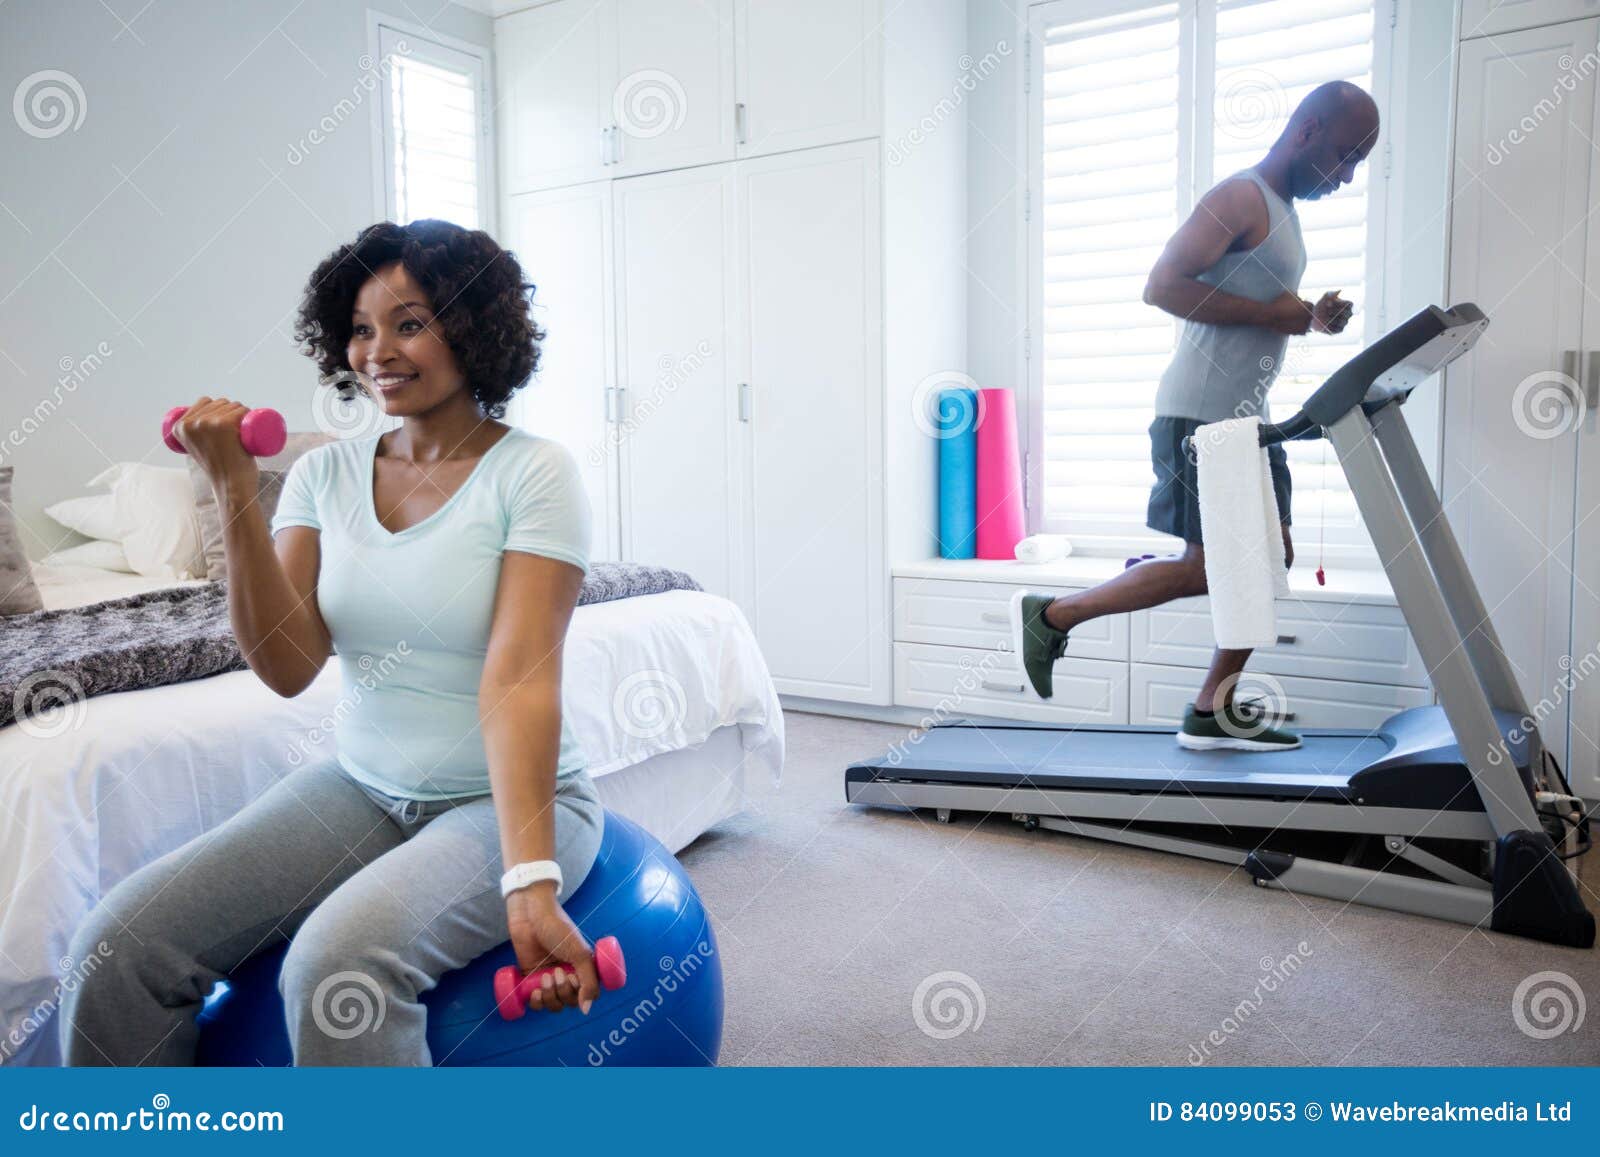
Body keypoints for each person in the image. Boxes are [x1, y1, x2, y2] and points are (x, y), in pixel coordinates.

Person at [60, 219, 605, 1065]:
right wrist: (235, 489)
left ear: (474, 328)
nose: (376, 351)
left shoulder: (534, 472)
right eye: (359, 328)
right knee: (118, 946)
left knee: (333, 971)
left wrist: (529, 880)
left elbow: (519, 677)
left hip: (508, 804)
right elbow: (287, 665)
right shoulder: (323, 474)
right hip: (361, 787)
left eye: (408, 323)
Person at [1010, 80, 1380, 752]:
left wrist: (1309, 317)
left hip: (1249, 420)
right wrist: (1276, 314)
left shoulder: (1284, 213)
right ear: (1307, 132)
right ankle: (1054, 615)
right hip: (1200, 416)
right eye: (1346, 156)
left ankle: (1213, 707)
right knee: (1210, 565)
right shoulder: (1239, 197)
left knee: (1270, 558)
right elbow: (1162, 286)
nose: (1348, 176)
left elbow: (1256, 308)